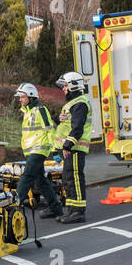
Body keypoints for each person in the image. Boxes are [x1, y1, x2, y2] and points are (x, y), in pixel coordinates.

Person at [14, 82, 62, 220]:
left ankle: (14, 204)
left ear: (30, 97)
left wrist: (54, 151)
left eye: (22, 97)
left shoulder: (40, 109)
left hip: (40, 149)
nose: (20, 100)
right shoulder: (27, 112)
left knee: (27, 175)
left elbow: (50, 130)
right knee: (40, 180)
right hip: (32, 151)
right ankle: (56, 208)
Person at [53, 71, 93, 224]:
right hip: (70, 148)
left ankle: (78, 212)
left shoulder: (80, 104)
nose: (63, 89)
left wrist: (68, 145)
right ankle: (71, 211)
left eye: (64, 86)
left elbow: (77, 128)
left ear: (72, 86)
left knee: (75, 178)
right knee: (68, 178)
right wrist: (58, 118)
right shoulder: (72, 103)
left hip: (75, 148)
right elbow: (67, 122)